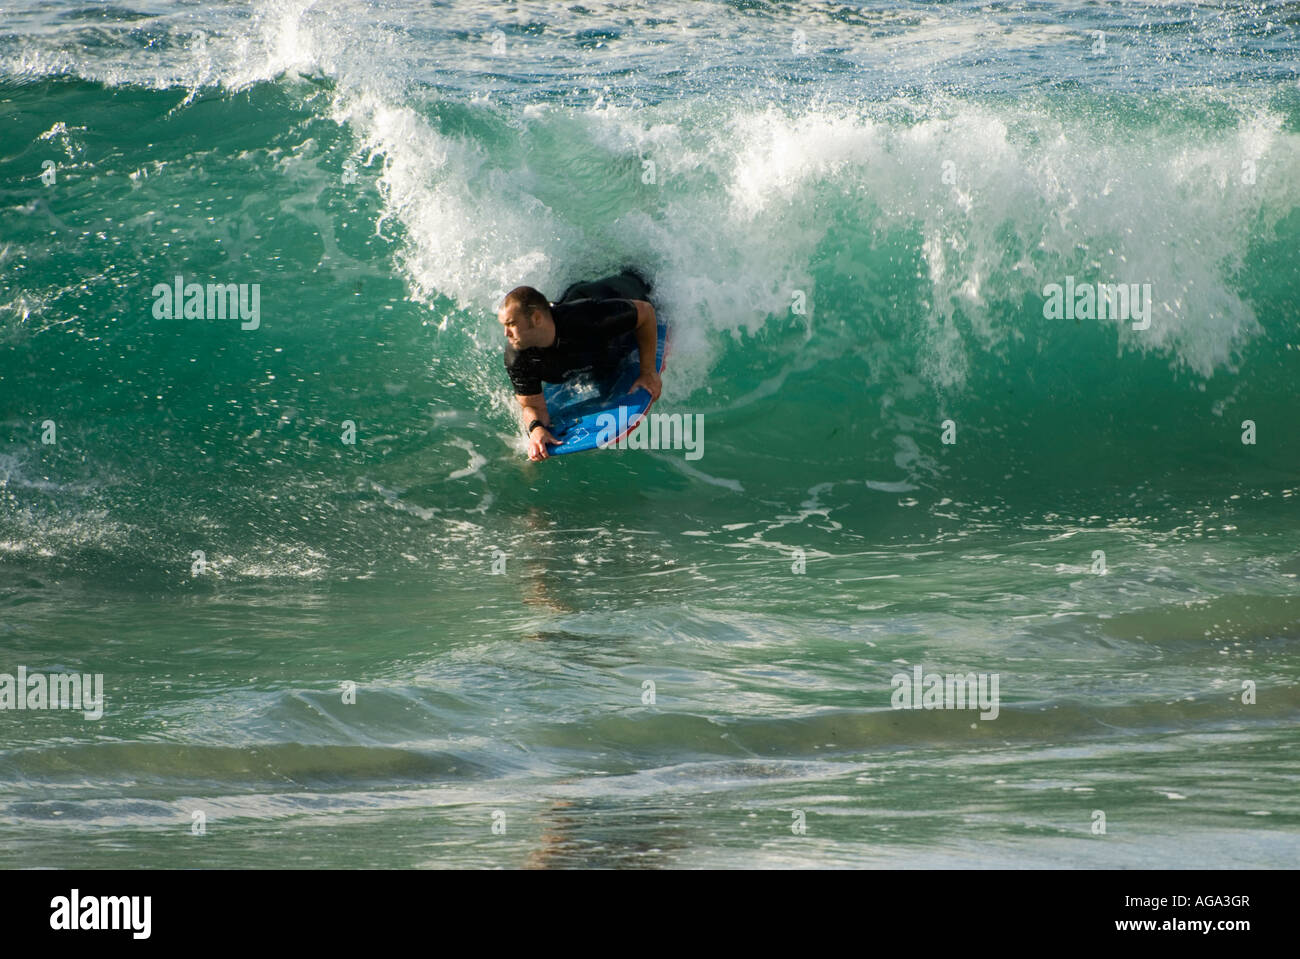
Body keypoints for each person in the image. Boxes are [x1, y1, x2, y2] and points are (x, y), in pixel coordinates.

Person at [499, 270, 661, 461]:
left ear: (535, 319)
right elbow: (531, 405)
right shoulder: (518, 357)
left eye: (510, 324)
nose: (505, 333)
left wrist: (648, 371)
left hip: (623, 290)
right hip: (574, 303)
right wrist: (537, 429)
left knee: (640, 282)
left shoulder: (587, 320)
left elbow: (645, 312)